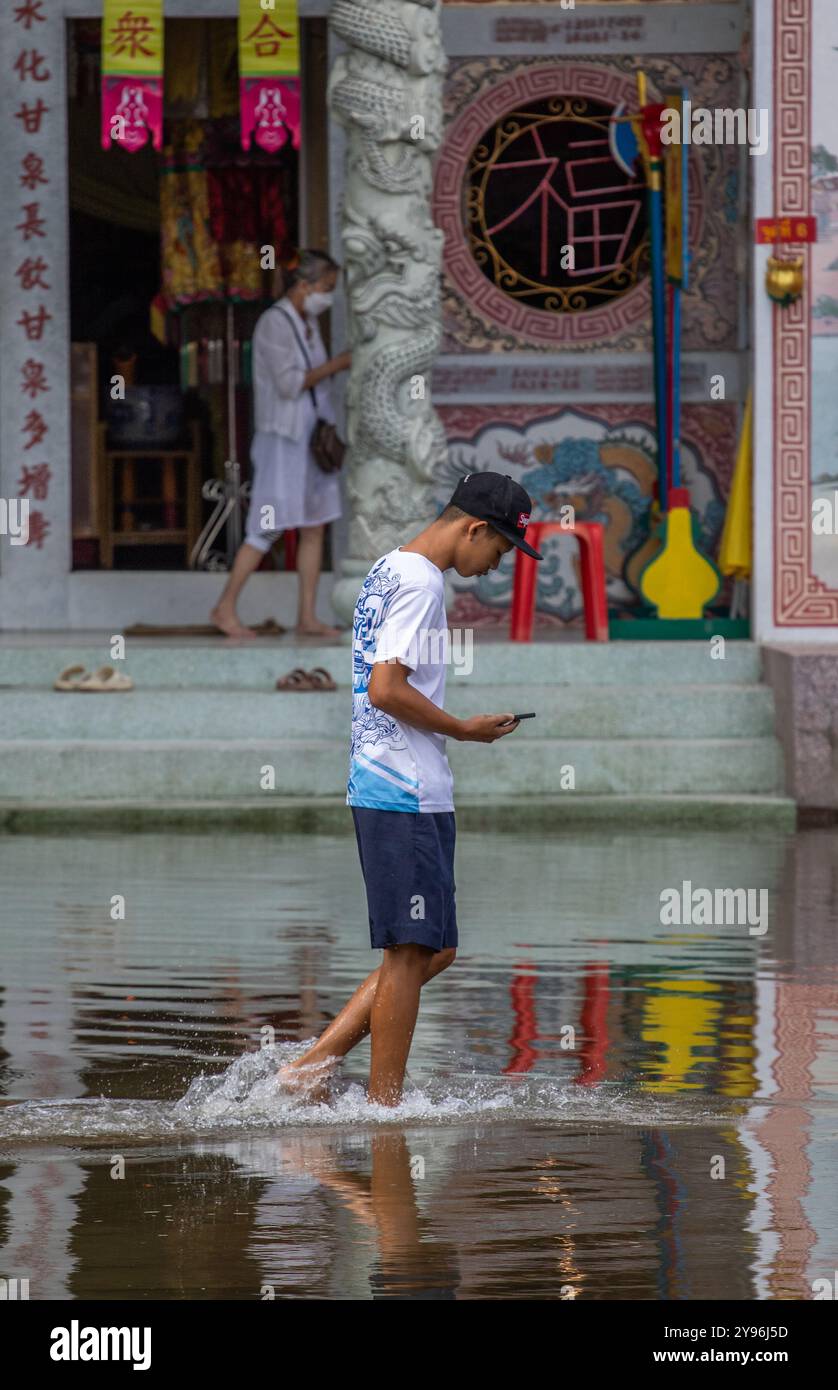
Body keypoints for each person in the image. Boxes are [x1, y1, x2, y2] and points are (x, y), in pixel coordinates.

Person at [278, 471, 544, 1107]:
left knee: (436, 946)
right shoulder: (424, 584)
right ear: (473, 529)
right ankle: (384, 1109)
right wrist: (465, 730)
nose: (494, 565)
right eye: (500, 550)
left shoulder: (389, 567)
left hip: (395, 779)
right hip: (401, 785)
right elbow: (386, 689)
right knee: (410, 951)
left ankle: (314, 1065)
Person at [210, 249, 351, 638]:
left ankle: (306, 616)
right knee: (267, 526)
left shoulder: (304, 323)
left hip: (310, 439)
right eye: (326, 288)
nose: (328, 296)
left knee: (314, 526)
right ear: (304, 286)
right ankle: (224, 607)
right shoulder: (275, 323)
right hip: (282, 441)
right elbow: (290, 384)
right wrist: (337, 365)